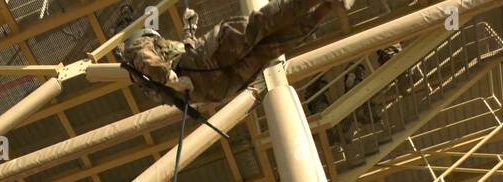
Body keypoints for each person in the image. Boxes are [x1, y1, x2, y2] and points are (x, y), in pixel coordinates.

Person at [117, 0, 355, 107]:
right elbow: (147, 60)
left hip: (217, 85)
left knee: (271, 47)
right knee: (258, 26)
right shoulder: (136, 46)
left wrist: (189, 28)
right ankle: (321, 5)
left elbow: (183, 53)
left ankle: (324, 9)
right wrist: (172, 80)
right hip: (202, 67)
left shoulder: (153, 62)